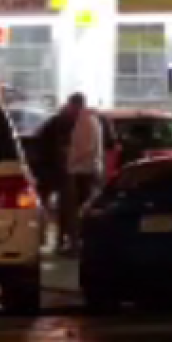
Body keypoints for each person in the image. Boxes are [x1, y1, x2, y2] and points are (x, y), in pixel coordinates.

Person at [59, 92, 103, 255]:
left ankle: (77, 246)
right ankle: (77, 244)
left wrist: (70, 158)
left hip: (83, 171)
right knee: (81, 209)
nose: (68, 109)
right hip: (85, 170)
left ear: (76, 105)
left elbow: (85, 148)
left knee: (79, 210)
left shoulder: (86, 122)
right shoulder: (90, 120)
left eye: (70, 105)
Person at [33, 100, 78, 244]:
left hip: (47, 170)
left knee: (46, 205)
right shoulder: (62, 124)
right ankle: (61, 238)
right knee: (66, 207)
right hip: (56, 170)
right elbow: (60, 149)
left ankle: (44, 237)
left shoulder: (52, 123)